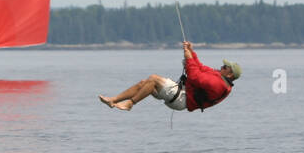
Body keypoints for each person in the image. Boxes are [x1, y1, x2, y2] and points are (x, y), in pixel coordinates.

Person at [99, 41, 240, 113]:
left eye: (225, 67)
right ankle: (113, 100)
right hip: (181, 93)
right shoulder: (218, 76)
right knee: (145, 83)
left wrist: (188, 59)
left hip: (181, 100)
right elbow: (201, 68)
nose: (222, 67)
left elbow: (194, 76)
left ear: (230, 74)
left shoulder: (218, 84)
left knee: (153, 79)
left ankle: (130, 104)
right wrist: (191, 51)